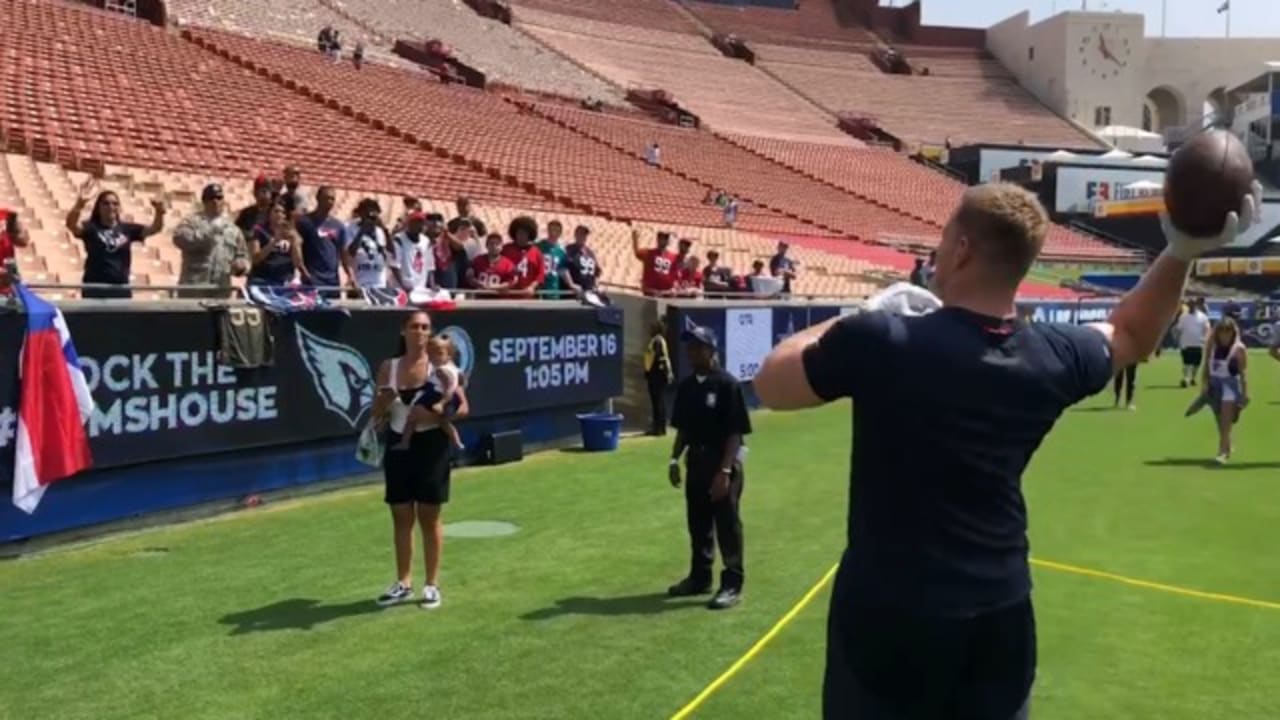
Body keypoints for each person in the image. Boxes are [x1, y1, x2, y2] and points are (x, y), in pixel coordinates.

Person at [752, 181, 1260, 720]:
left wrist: (863, 313)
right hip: (1000, 606)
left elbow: (772, 382)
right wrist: (1181, 251)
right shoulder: (1051, 356)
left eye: (945, 240)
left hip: (891, 610)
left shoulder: (883, 341)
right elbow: (1132, 332)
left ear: (964, 249)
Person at [372, 311, 470, 610]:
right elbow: (376, 412)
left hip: (432, 446)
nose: (420, 332)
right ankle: (403, 582)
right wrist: (384, 401)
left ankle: (431, 584)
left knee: (429, 516)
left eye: (425, 327)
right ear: (403, 331)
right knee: (401, 515)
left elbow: (463, 408)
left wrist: (434, 414)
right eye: (414, 326)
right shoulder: (389, 367)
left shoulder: (441, 366)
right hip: (399, 445)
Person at [667, 325, 752, 610]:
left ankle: (732, 584)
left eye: (698, 346)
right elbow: (683, 429)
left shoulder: (728, 384)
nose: (691, 352)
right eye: (689, 346)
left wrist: (725, 472)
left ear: (712, 350)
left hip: (722, 464)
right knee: (698, 524)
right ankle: (700, 577)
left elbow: (735, 433)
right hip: (697, 464)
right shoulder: (688, 386)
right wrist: (673, 459)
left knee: (727, 525)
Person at [65, 178, 165, 299]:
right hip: (95, 289)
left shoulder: (127, 229)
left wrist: (159, 212)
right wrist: (79, 204)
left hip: (120, 288)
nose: (111, 206)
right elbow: (71, 225)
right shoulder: (91, 228)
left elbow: (154, 229)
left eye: (115, 203)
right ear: (98, 207)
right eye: (106, 203)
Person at [173, 183, 249, 299]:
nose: (215, 202)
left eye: (219, 198)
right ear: (204, 201)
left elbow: (242, 254)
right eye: (211, 198)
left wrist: (241, 265)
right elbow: (179, 239)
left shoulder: (232, 229)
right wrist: (208, 234)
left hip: (220, 289)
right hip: (194, 288)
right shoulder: (191, 222)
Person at [395, 336, 465, 452]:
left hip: (438, 397)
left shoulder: (440, 371)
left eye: (439, 353)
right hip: (440, 397)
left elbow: (451, 389)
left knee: (413, 416)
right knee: (441, 421)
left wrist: (441, 404)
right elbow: (460, 380)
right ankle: (457, 442)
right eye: (431, 354)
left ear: (449, 355)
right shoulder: (453, 369)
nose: (434, 357)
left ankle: (405, 442)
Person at [1201, 317, 1249, 465]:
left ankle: (1221, 452)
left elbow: (1243, 373)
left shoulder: (1239, 348)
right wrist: (1205, 385)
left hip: (1231, 386)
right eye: (1221, 331)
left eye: (1228, 332)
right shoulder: (1212, 345)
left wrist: (1245, 393)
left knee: (1225, 420)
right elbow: (1206, 366)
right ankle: (1227, 445)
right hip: (1215, 385)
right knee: (1219, 419)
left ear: (1233, 332)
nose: (1224, 335)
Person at [299, 185, 347, 295]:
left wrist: (350, 275)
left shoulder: (338, 225)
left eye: (332, 199)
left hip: (332, 281)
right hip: (312, 280)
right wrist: (303, 271)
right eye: (327, 198)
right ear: (318, 198)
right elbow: (297, 248)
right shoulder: (305, 222)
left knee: (332, 311)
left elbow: (343, 253)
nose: (330, 202)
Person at [247, 200, 306, 287]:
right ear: (269, 213)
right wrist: (274, 241)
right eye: (276, 211)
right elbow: (255, 259)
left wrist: (295, 243)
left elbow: (297, 263)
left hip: (284, 281)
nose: (279, 214)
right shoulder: (259, 230)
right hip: (262, 280)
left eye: (282, 212)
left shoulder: (291, 231)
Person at [343, 198, 390, 293]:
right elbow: (350, 252)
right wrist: (362, 231)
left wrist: (383, 229)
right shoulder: (350, 228)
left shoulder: (379, 231)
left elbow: (386, 254)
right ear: (360, 213)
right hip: (360, 283)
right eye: (367, 213)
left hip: (379, 284)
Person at [388, 212, 436, 294]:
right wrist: (403, 286)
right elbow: (394, 266)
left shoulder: (426, 241)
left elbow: (430, 266)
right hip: (401, 289)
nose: (419, 225)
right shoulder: (399, 240)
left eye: (421, 223)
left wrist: (432, 285)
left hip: (420, 288)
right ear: (408, 224)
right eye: (415, 223)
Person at [501, 216, 546, 298]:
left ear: (530, 235)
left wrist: (532, 287)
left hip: (527, 297)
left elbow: (540, 274)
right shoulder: (505, 249)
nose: (522, 236)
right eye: (519, 233)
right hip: (507, 296)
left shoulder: (536, 252)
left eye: (525, 233)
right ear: (515, 233)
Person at [644, 320, 673, 436]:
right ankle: (660, 427)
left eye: (652, 328)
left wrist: (648, 371)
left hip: (657, 375)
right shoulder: (658, 340)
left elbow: (656, 358)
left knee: (658, 401)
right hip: (658, 374)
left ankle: (658, 428)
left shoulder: (657, 341)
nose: (650, 330)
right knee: (658, 401)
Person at [468, 232, 517, 296]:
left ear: (502, 246)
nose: (494, 246)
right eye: (491, 244)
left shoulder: (508, 264)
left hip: (498, 300)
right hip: (479, 299)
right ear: (486, 245)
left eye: (497, 244)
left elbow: (511, 282)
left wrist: (496, 287)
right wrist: (478, 283)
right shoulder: (477, 260)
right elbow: (469, 276)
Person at [1175, 298, 1210, 387]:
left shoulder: (1202, 316)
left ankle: (1193, 378)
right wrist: (1177, 340)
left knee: (1196, 363)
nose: (1191, 306)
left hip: (1198, 343)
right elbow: (1179, 329)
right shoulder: (1183, 317)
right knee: (1186, 362)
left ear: (1196, 305)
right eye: (1189, 305)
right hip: (1185, 343)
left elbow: (1207, 328)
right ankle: (1185, 379)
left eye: (1193, 305)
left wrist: (1205, 338)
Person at [633, 228, 677, 296]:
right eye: (661, 238)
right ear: (658, 239)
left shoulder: (673, 257)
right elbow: (637, 253)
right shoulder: (649, 253)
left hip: (666, 293)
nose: (663, 240)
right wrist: (635, 238)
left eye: (665, 238)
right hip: (651, 291)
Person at [537, 220, 572, 299]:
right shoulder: (539, 246)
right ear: (548, 230)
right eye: (551, 230)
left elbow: (563, 270)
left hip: (553, 289)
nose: (553, 233)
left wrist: (571, 284)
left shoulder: (561, 251)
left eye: (556, 230)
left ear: (560, 233)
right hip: (539, 289)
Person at [564, 224, 601, 297]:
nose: (582, 237)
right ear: (575, 234)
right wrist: (571, 284)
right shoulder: (569, 250)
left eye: (584, 235)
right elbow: (563, 268)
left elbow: (597, 271)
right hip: (573, 292)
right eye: (580, 234)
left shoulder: (590, 253)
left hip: (589, 292)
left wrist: (596, 284)